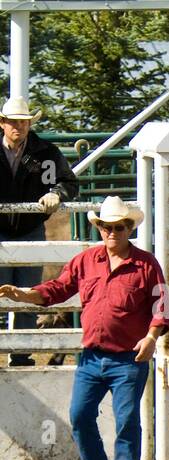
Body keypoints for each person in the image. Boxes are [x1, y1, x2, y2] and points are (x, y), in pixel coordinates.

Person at [0, 197, 168, 460]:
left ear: (129, 228)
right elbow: (58, 289)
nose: (113, 232)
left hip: (128, 358)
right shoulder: (87, 261)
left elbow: (162, 305)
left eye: (119, 227)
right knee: (80, 416)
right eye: (107, 227)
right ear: (100, 229)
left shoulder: (146, 265)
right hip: (92, 356)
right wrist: (26, 294)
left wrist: (151, 336)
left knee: (127, 420)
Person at [0, 94, 79, 366]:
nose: (18, 127)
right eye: (13, 122)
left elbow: (69, 182)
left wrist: (57, 193)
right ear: (3, 123)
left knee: (26, 292)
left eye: (23, 122)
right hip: (6, 231)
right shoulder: (43, 151)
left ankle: (21, 354)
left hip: (30, 229)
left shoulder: (45, 152)